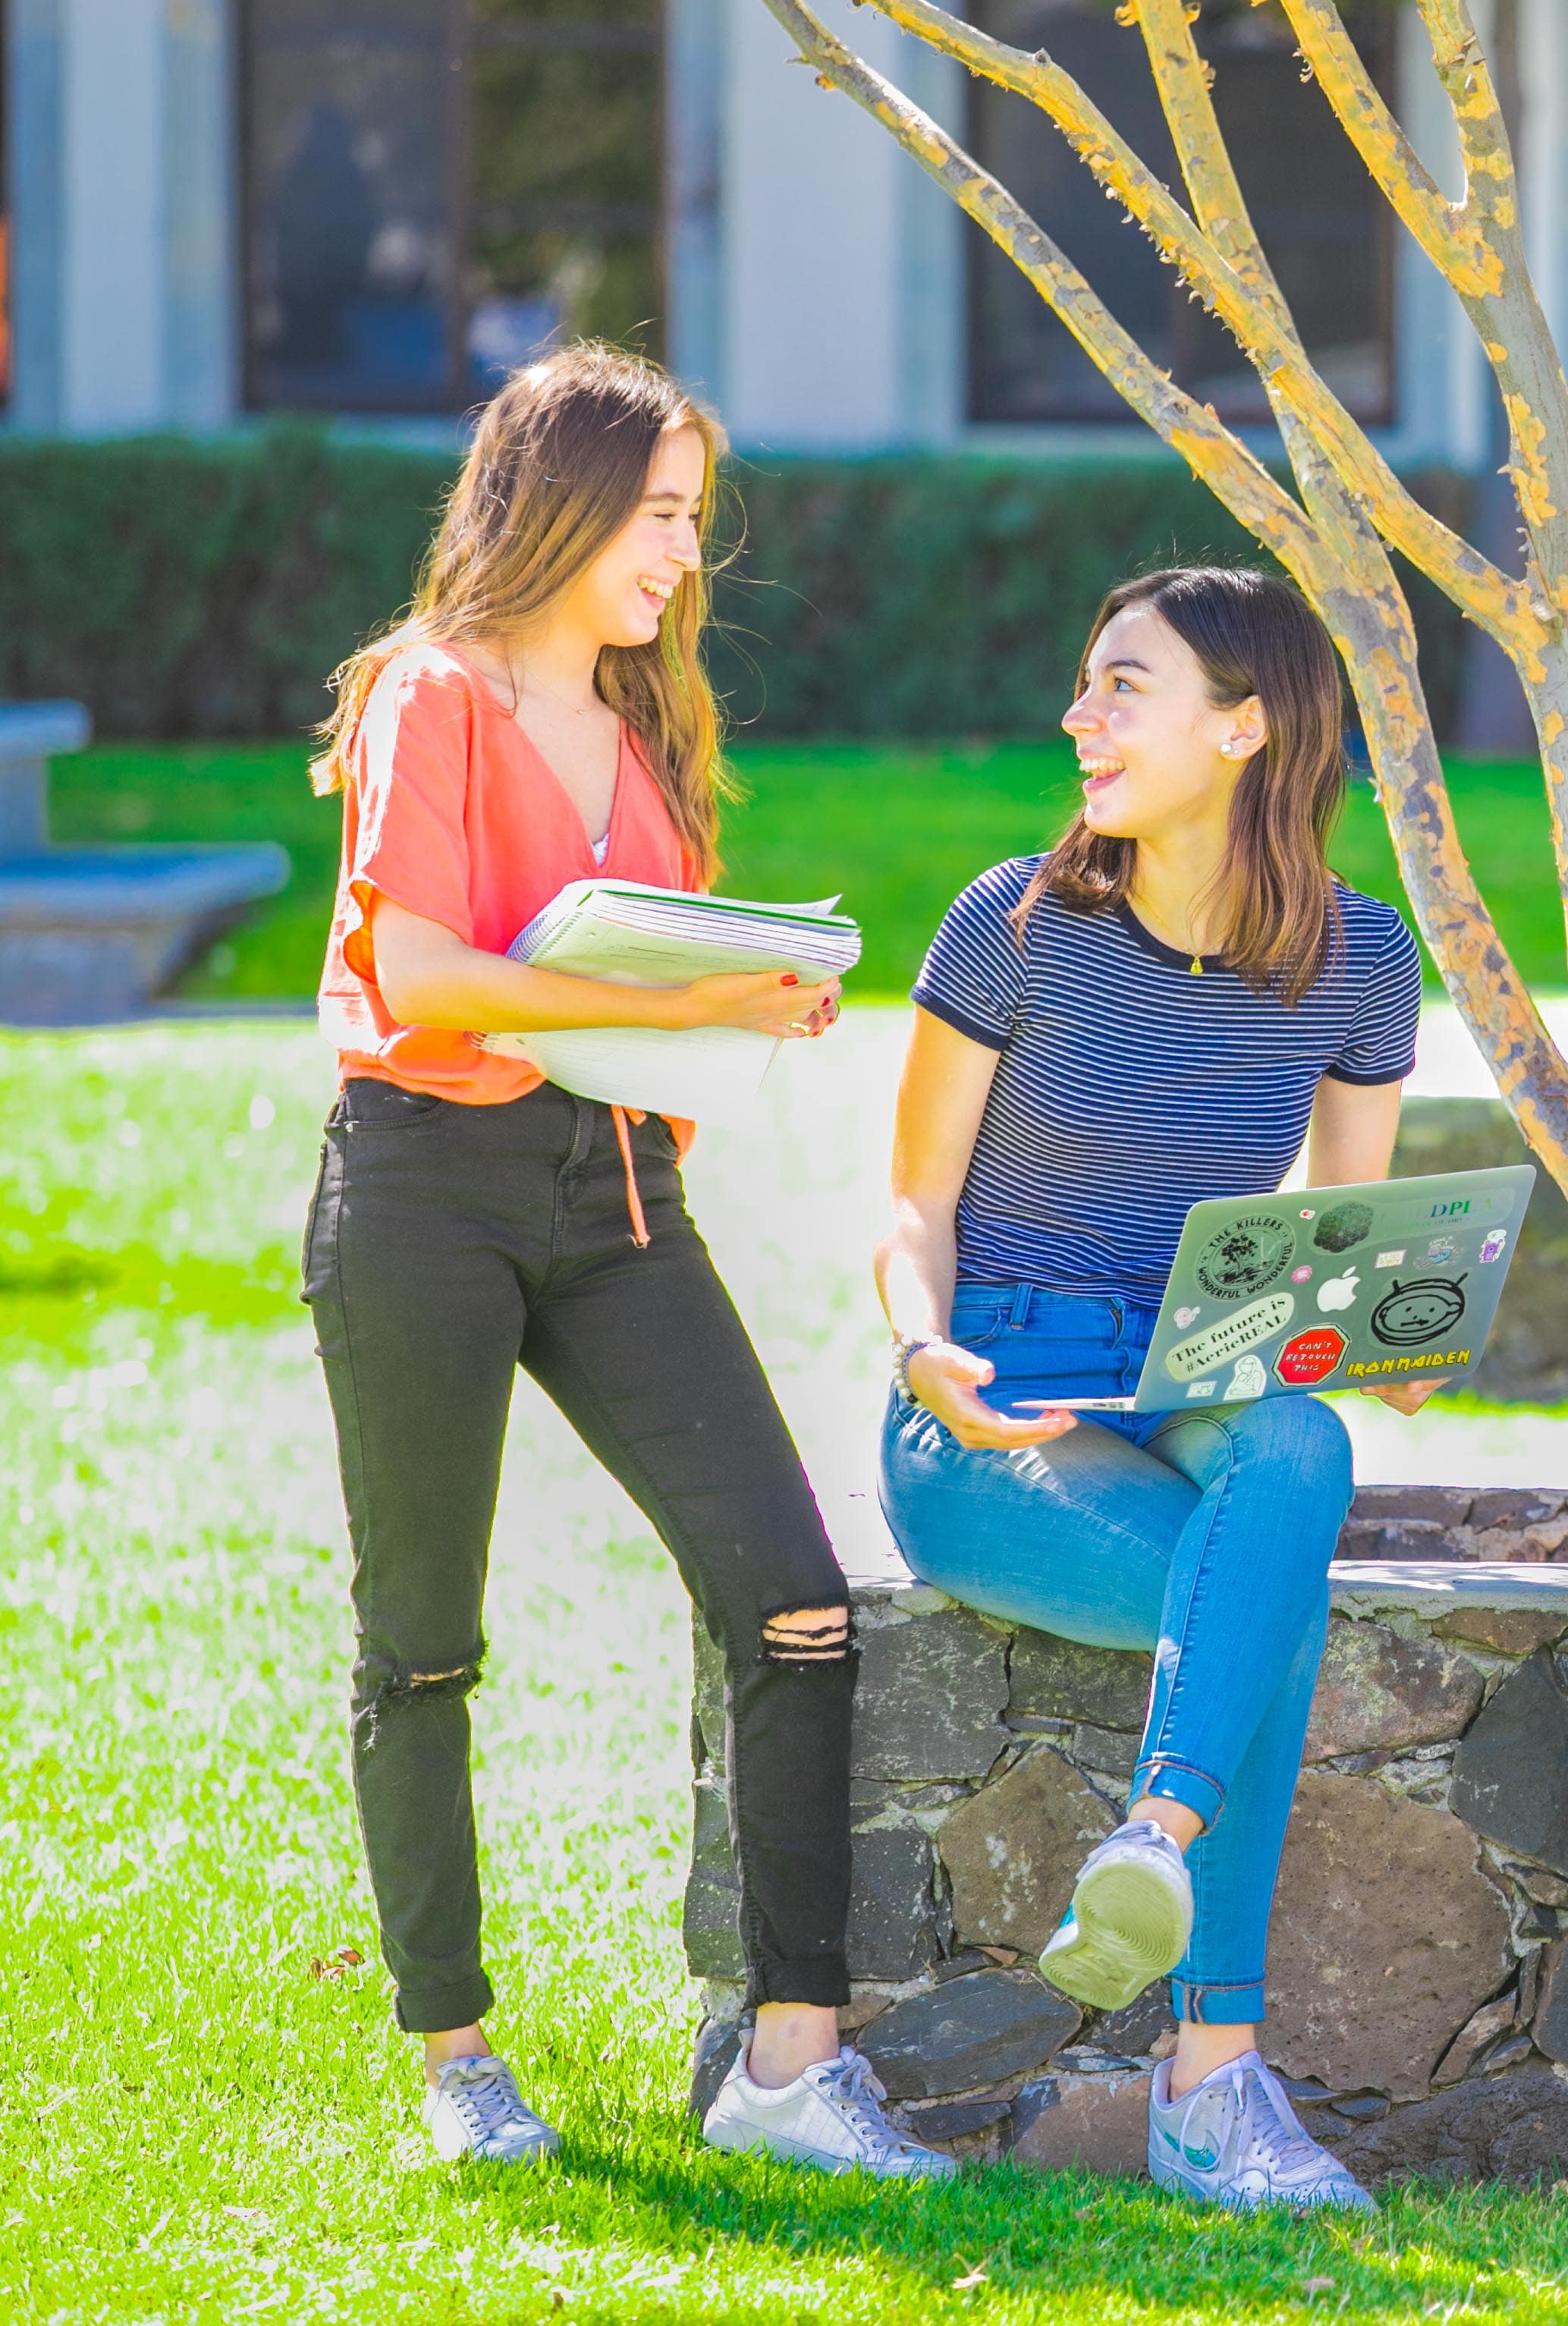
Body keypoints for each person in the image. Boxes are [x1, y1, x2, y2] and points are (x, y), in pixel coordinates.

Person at [300, 344, 949, 2178]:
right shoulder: (432, 696)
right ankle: (458, 2058)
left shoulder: (652, 721)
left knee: (797, 1603)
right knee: (423, 1645)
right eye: (659, 515)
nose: (684, 555)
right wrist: (670, 994)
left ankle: (793, 2067)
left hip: (622, 1197)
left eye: (692, 520)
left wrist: (744, 1011)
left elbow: (625, 985)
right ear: (560, 500)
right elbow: (422, 975)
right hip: (425, 1187)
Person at [874, 565, 1438, 2215]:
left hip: (1196, 1365)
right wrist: (925, 1352)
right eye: (1085, 683)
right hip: (994, 1404)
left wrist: (1382, 1339)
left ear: (1247, 725)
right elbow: (911, 1207)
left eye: (1124, 686)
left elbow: (1344, 1248)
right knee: (1267, 1607)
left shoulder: (1361, 963)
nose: (1081, 717)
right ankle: (1212, 2082)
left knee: (1304, 1435)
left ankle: (1155, 1847)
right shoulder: (1013, 926)